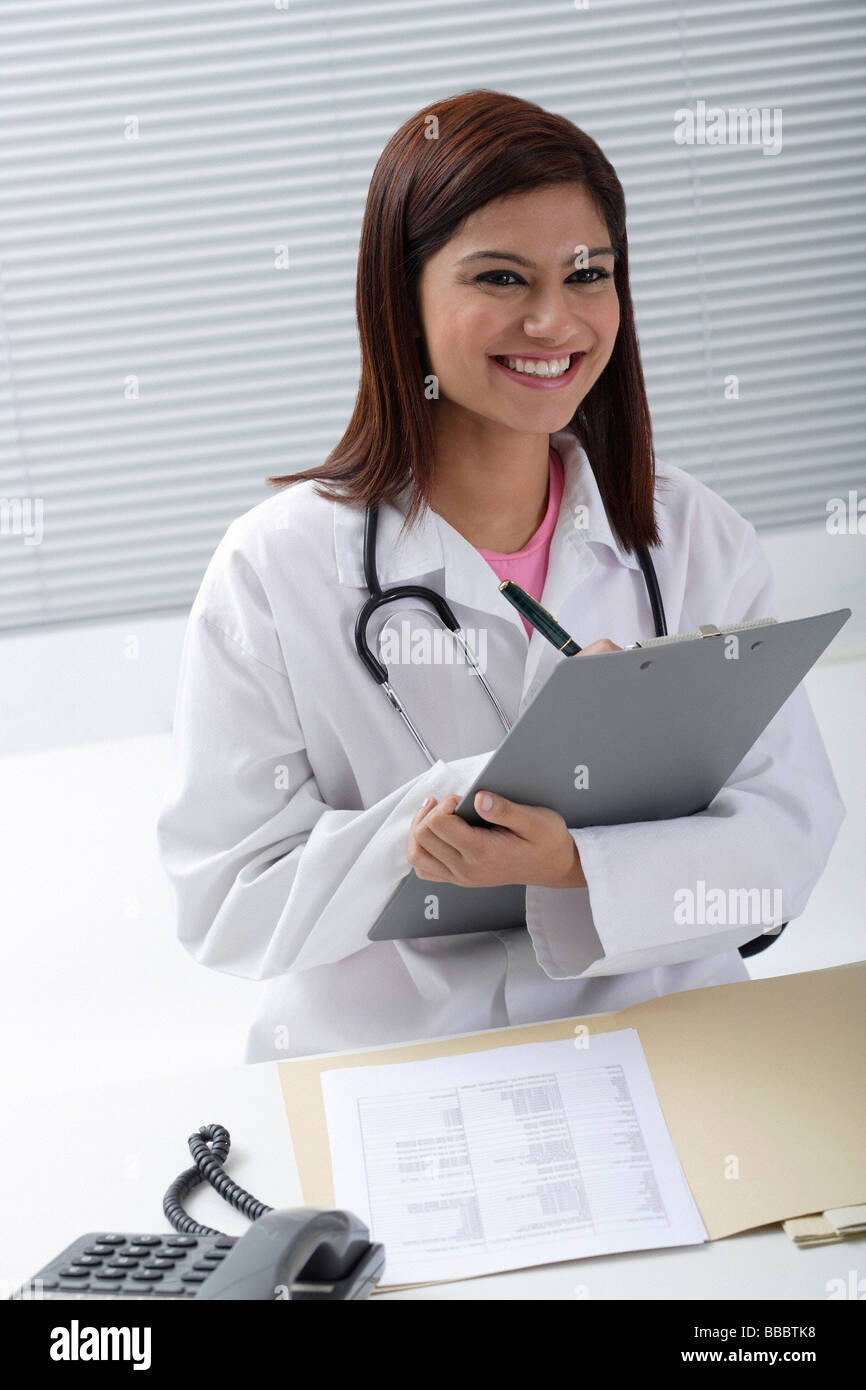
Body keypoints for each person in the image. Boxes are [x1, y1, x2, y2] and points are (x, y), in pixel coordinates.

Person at [156, 90, 845, 1064]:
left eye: (586, 274)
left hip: (671, 1050)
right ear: (401, 297)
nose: (551, 319)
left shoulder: (689, 537)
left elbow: (784, 841)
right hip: (393, 1071)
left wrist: (576, 862)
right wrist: (445, 816)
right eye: (499, 276)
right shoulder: (274, 570)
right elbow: (223, 901)